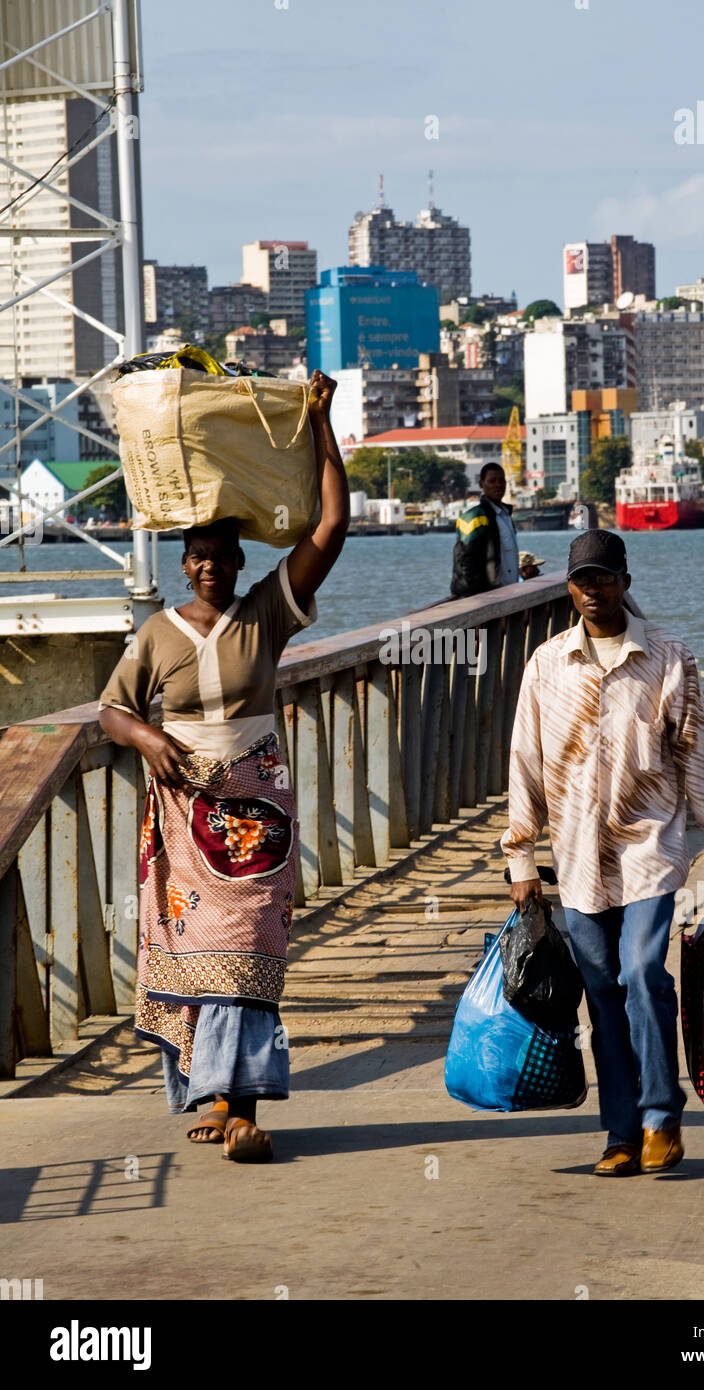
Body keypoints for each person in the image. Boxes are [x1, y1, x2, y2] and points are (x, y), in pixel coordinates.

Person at [98, 369, 349, 1163]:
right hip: (182, 818)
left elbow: (330, 528)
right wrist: (150, 740)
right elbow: (111, 709)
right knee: (195, 953)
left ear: (242, 561)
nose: (212, 567)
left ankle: (241, 1104)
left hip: (257, 813)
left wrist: (320, 423)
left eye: (223, 557)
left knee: (247, 950)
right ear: (185, 563)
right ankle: (215, 1095)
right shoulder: (157, 636)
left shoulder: (266, 614)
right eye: (199, 557)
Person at [501, 529, 704, 1177]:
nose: (594, 590)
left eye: (605, 578)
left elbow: (700, 756)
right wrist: (521, 860)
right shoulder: (546, 665)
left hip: (649, 847)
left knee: (641, 974)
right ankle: (619, 1133)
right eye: (582, 580)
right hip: (579, 857)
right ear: (569, 588)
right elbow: (524, 766)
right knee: (601, 989)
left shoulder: (669, 658)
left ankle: (660, 1117)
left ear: (625, 581)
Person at [450, 462, 520, 597]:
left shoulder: (506, 516)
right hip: (488, 596)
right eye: (492, 481)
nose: (498, 485)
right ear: (481, 484)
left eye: (501, 481)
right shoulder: (474, 517)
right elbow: (464, 560)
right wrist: (475, 597)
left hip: (509, 594)